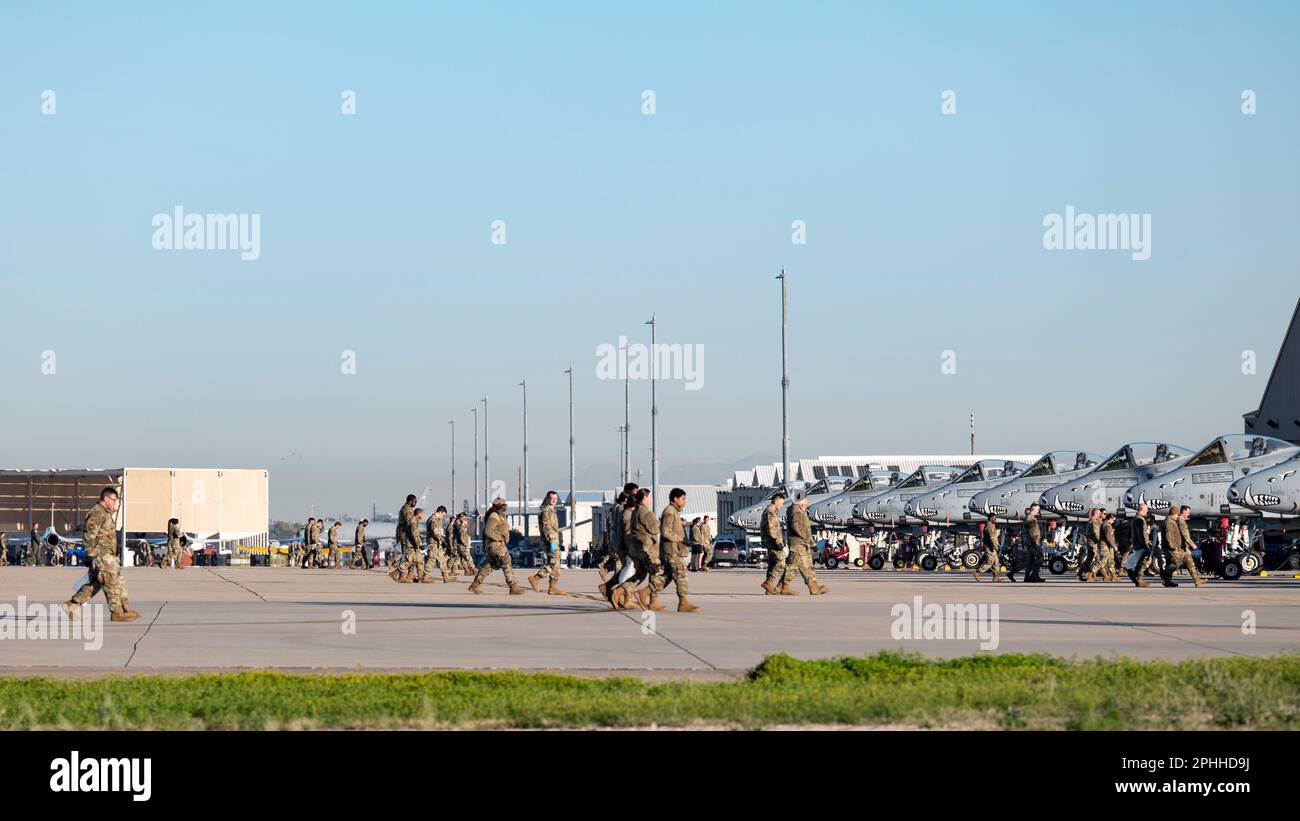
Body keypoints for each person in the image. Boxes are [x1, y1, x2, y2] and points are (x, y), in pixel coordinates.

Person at [63, 488, 141, 622]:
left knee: (95, 584)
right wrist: (91, 556)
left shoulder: (105, 513)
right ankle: (116, 612)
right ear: (106, 499)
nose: (116, 504)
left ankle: (72, 605)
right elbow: (89, 536)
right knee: (111, 581)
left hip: (108, 556)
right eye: (114, 500)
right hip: (101, 556)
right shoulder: (97, 513)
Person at [652, 488, 699, 612]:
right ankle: (683, 602)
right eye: (683, 499)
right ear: (675, 499)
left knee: (667, 576)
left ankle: (646, 593)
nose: (684, 502)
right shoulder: (669, 511)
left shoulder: (674, 512)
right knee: (681, 574)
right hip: (671, 550)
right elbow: (665, 531)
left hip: (674, 549)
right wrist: (681, 539)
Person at [469, 498, 525, 594]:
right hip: (496, 545)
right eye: (503, 504)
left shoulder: (499, 515)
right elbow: (488, 531)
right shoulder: (494, 516)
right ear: (498, 505)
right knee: (506, 562)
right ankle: (513, 587)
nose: (505, 506)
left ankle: (475, 585)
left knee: (490, 565)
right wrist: (499, 538)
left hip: (496, 545)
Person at [782, 494, 828, 595]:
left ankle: (814, 587)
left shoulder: (799, 511)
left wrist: (812, 543)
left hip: (802, 543)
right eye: (806, 500)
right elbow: (798, 528)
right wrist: (806, 539)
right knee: (792, 566)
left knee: (807, 566)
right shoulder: (796, 512)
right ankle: (783, 587)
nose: (808, 502)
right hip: (798, 544)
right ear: (801, 500)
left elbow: (806, 530)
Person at [529, 491, 567, 595]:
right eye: (551, 498)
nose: (554, 500)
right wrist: (552, 543)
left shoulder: (552, 511)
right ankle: (536, 578)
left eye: (555, 498)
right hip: (550, 541)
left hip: (554, 540)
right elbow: (547, 528)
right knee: (553, 563)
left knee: (557, 564)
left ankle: (553, 587)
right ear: (547, 499)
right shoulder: (546, 511)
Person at [1164, 505, 1205, 587]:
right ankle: (1165, 576)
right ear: (1183, 512)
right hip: (1182, 547)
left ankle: (1196, 580)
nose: (1188, 514)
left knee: (1190, 563)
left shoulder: (1178, 521)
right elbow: (1185, 535)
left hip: (1182, 547)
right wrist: (1192, 544)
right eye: (1188, 512)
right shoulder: (1181, 521)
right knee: (1176, 564)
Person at [759, 491, 790, 595]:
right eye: (781, 503)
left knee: (772, 565)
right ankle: (769, 582)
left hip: (772, 542)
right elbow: (772, 529)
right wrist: (779, 543)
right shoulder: (770, 512)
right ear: (776, 502)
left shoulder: (772, 511)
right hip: (773, 543)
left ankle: (769, 589)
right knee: (781, 562)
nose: (782, 505)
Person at [390, 494, 421, 583]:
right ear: (410, 501)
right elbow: (411, 524)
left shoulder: (406, 509)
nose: (415, 503)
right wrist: (416, 539)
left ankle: (406, 576)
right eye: (415, 502)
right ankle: (401, 575)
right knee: (407, 556)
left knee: (409, 556)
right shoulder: (408, 510)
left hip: (404, 535)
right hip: (405, 535)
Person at [421, 506, 452, 583]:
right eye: (443, 515)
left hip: (437, 543)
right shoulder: (434, 519)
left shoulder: (435, 518)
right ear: (440, 512)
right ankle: (425, 577)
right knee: (431, 559)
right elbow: (435, 532)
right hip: (433, 543)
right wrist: (443, 540)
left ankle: (446, 577)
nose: (443, 517)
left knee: (442, 559)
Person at [1126, 503, 1151, 587]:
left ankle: (1137, 579)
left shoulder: (1135, 519)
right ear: (1141, 509)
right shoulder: (1139, 520)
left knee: (1140, 562)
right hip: (1141, 544)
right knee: (1144, 562)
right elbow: (1140, 533)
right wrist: (1144, 545)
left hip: (1137, 544)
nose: (1147, 510)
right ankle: (1135, 576)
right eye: (1146, 509)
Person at [973, 514, 1003, 582]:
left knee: (996, 562)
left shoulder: (992, 525)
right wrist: (996, 546)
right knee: (990, 561)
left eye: (996, 518)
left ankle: (996, 577)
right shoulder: (990, 525)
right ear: (990, 518)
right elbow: (992, 537)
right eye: (994, 518)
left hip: (992, 546)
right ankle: (977, 572)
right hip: (989, 546)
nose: (995, 519)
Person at [1021, 504, 1045, 582]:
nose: (1038, 511)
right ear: (1033, 509)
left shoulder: (1027, 518)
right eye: (1037, 510)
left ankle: (1027, 577)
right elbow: (1033, 531)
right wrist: (1036, 541)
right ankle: (1034, 574)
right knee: (1040, 557)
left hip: (1028, 542)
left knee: (1030, 559)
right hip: (1033, 542)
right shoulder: (1031, 519)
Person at [1098, 512, 1120, 581]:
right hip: (1105, 545)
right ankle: (1091, 573)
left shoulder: (1106, 524)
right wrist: (1114, 546)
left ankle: (1113, 576)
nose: (1113, 521)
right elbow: (1109, 537)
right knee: (1103, 561)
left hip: (1108, 545)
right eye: (1113, 520)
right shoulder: (1107, 525)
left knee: (1111, 561)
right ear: (1110, 518)